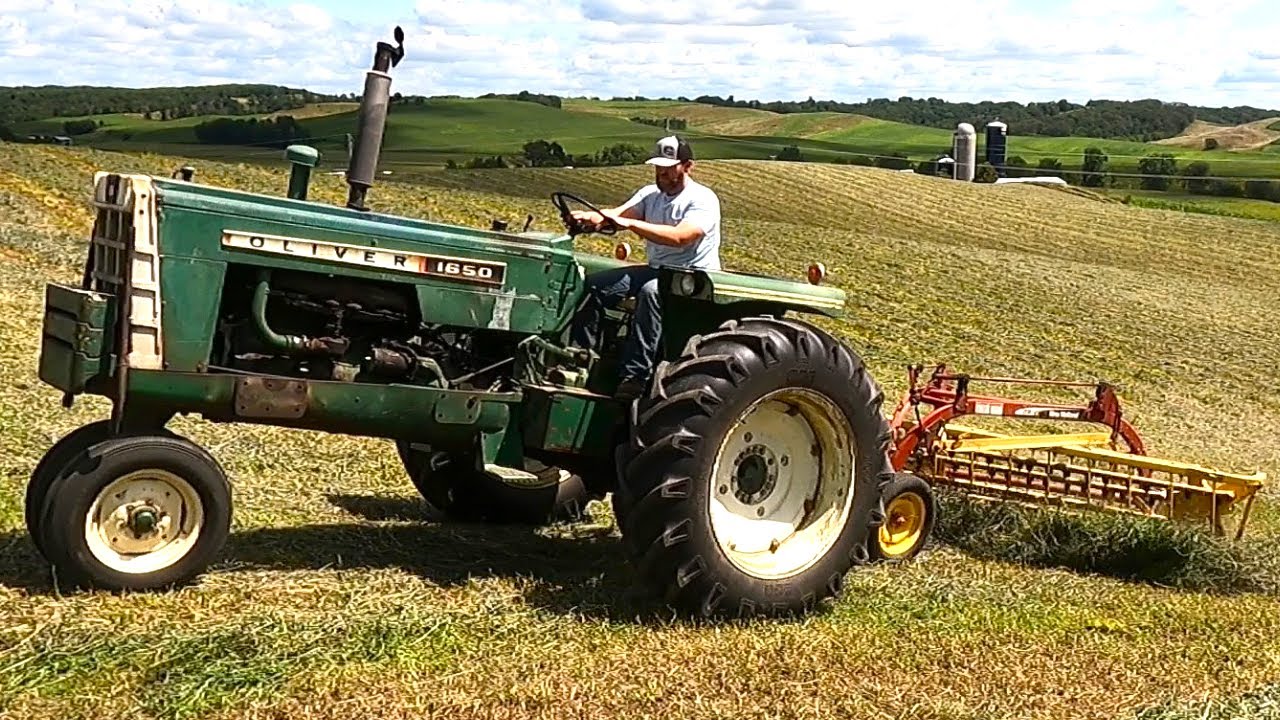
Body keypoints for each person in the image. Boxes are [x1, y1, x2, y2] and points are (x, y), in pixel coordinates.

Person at [568, 135, 722, 399]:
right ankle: (579, 360)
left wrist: (632, 225)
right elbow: (618, 216)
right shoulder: (650, 194)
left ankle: (635, 377)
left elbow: (681, 237)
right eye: (658, 166)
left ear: (687, 166)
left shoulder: (702, 199)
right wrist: (589, 218)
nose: (662, 172)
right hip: (656, 267)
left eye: (669, 167)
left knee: (651, 292)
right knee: (593, 286)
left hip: (691, 278)